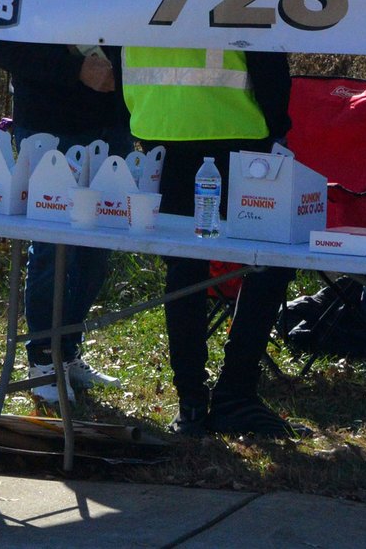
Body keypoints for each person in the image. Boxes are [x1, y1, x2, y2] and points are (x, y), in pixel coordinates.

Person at [121, 44, 300, 438]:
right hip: (238, 127)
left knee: (185, 266)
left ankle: (192, 402)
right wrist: (279, 126)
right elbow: (264, 46)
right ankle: (234, 392)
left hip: (159, 124)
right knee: (271, 255)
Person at [0, 40, 131, 406]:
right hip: (46, 122)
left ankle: (66, 352)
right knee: (50, 249)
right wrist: (75, 70)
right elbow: (3, 48)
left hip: (113, 122)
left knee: (98, 248)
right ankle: (42, 362)